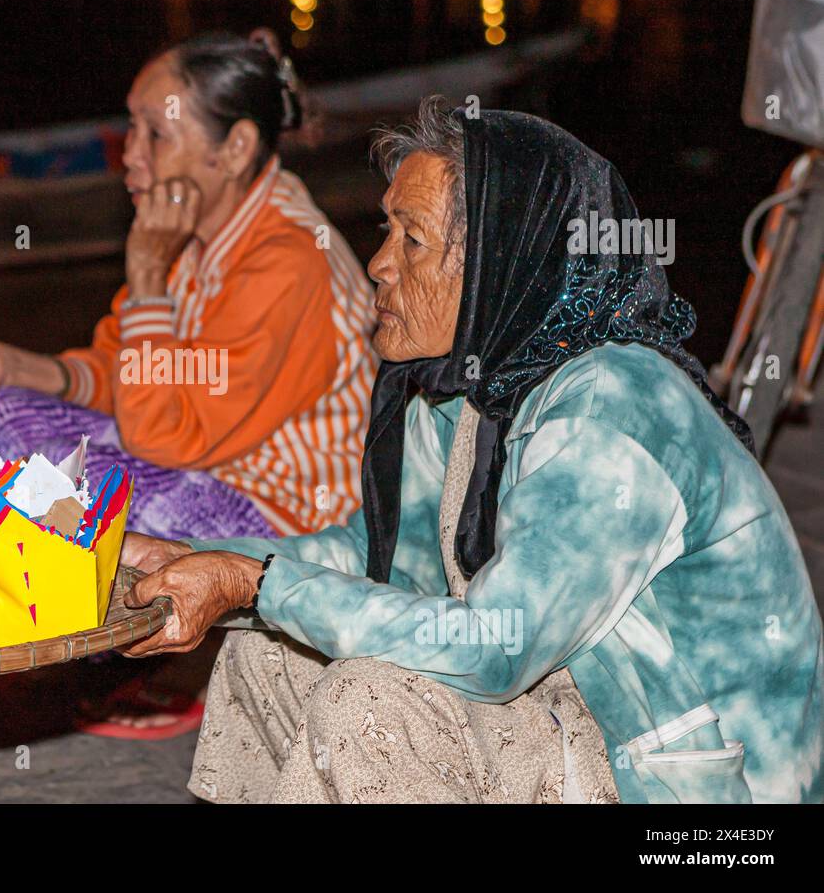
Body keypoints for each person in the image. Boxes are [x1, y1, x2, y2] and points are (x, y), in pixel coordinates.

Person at [118, 97, 824, 803]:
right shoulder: (466, 388)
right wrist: (204, 566)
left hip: (703, 795)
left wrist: (258, 583)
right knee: (268, 648)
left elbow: (494, 649)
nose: (378, 265)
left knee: (370, 702)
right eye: (386, 231)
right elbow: (389, 568)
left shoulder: (612, 408)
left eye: (412, 240)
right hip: (582, 718)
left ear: (501, 258)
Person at [0, 30, 377, 737]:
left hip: (287, 523)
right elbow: (119, 375)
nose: (129, 153)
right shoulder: (206, 229)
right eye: (130, 126)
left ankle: (118, 655)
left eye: (154, 133)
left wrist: (148, 278)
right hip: (200, 465)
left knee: (28, 483)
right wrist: (11, 366)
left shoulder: (287, 261)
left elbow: (162, 434)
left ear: (236, 148)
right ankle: (12, 638)